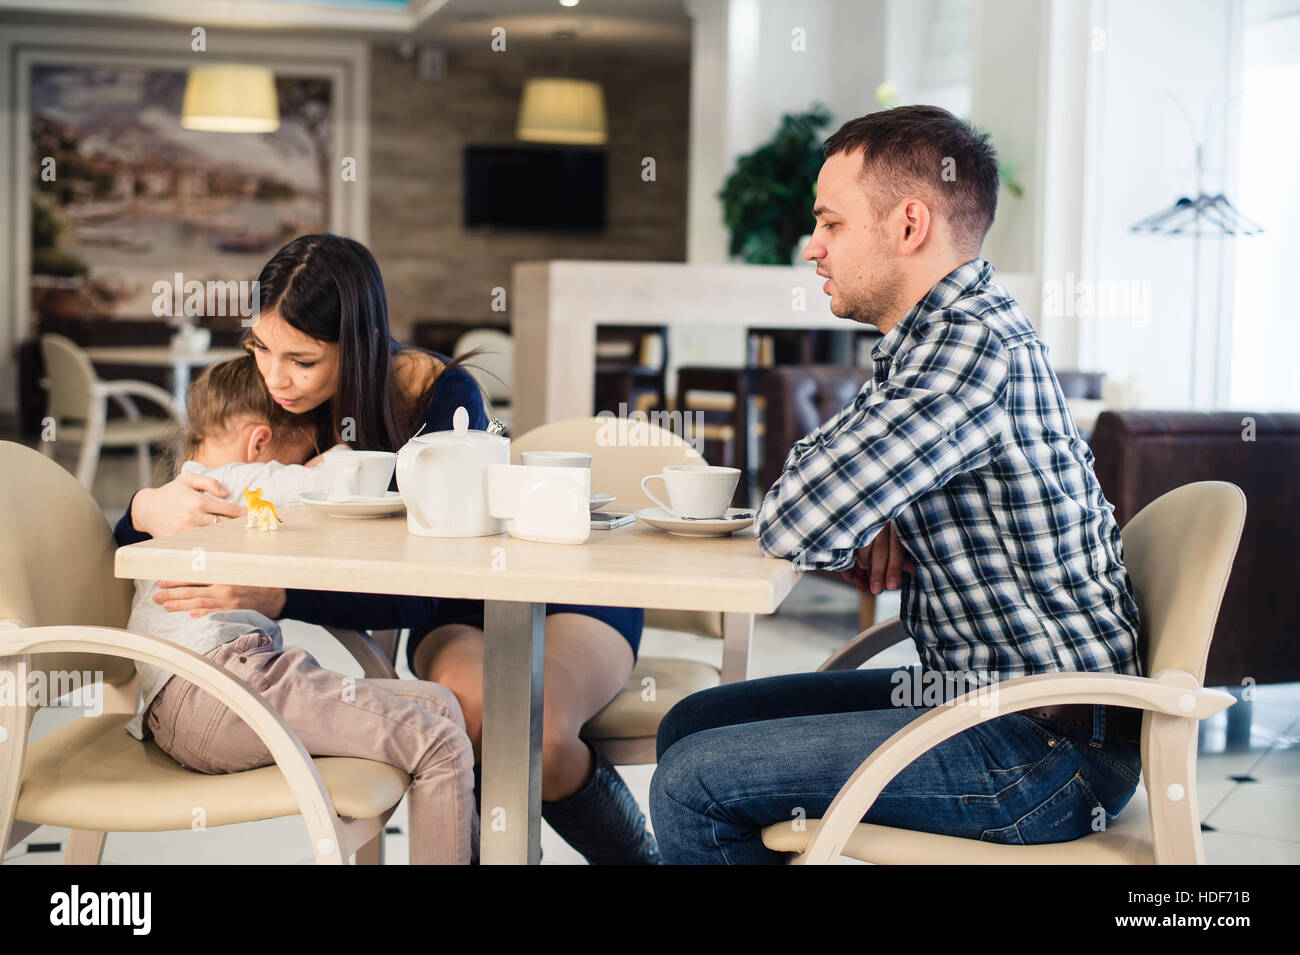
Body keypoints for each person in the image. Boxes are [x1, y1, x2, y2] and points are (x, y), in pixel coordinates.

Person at [649, 105, 1145, 864]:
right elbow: (834, 488)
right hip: (984, 700)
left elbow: (797, 521)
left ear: (909, 224)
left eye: (831, 223)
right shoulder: (934, 339)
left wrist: (862, 503)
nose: (812, 247)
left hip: (1044, 746)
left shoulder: (969, 349)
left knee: (695, 781)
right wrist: (886, 508)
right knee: (691, 724)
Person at [113, 234, 660, 865]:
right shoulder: (280, 396)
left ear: (362, 345)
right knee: (468, 718)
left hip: (548, 588)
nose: (275, 376)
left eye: (302, 359)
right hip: (455, 610)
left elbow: (428, 582)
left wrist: (282, 596)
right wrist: (143, 507)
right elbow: (187, 513)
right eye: (260, 347)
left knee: (540, 740)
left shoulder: (440, 398)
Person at [125, 356, 477, 864]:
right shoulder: (230, 484)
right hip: (218, 689)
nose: (304, 466)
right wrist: (337, 455)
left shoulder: (184, 492)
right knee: (440, 744)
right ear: (260, 443)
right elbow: (339, 481)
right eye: (303, 453)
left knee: (441, 706)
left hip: (214, 691)